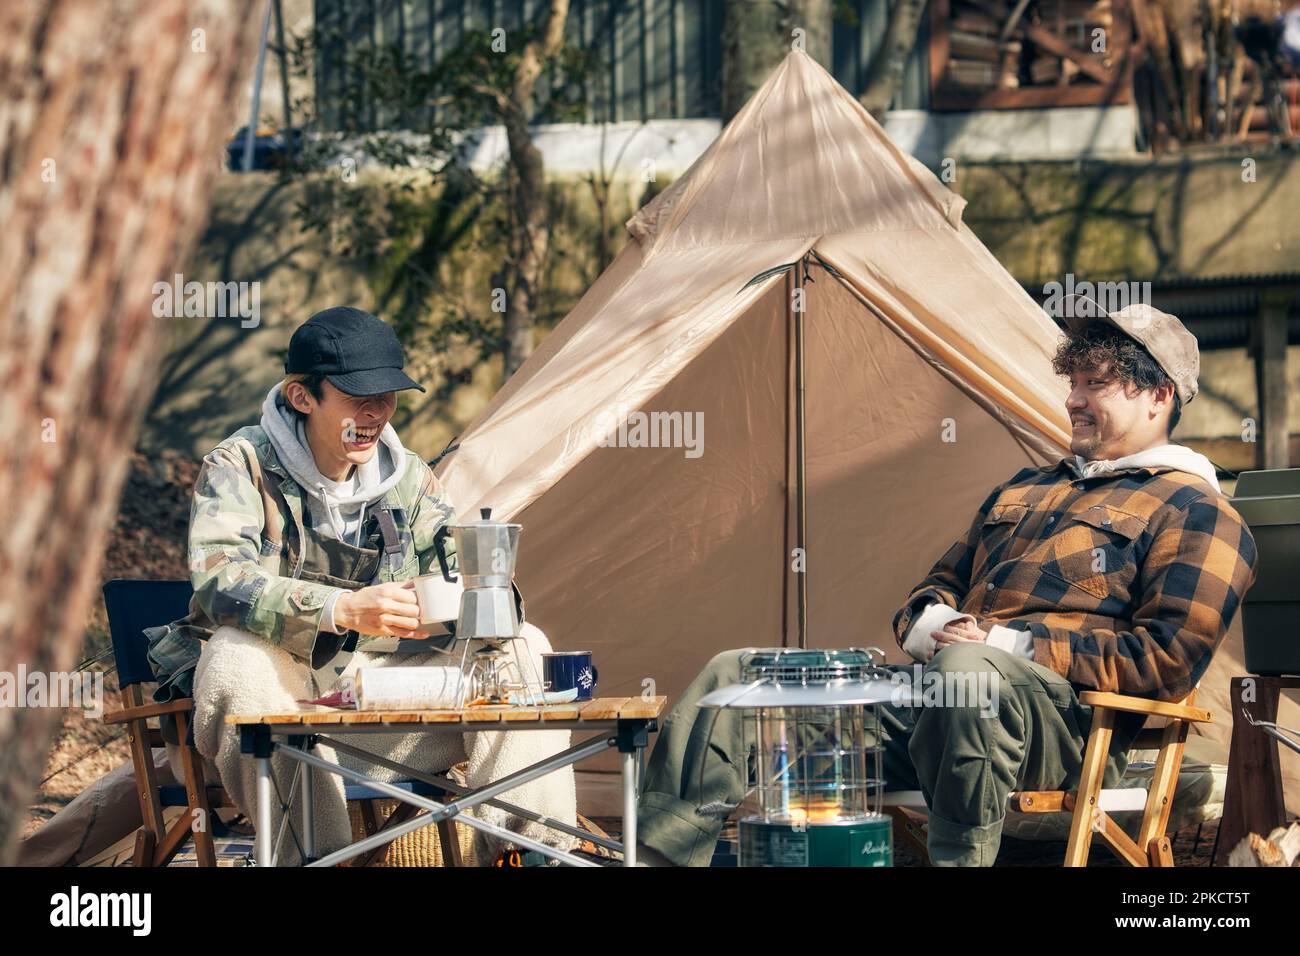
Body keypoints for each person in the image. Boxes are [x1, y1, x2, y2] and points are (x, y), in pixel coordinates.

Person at [633, 298, 1258, 866]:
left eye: (1095, 384)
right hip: (931, 703)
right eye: (1073, 382)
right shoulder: (1025, 488)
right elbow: (929, 593)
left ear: (1159, 396)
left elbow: (1168, 659)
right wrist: (936, 626)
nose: (1072, 399)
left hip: (1062, 732)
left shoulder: (1197, 510)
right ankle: (661, 858)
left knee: (969, 675)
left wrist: (1005, 647)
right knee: (738, 675)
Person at [143, 306, 576, 865]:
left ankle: (534, 851)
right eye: (357, 398)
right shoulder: (240, 465)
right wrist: (342, 608)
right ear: (303, 397)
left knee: (524, 645)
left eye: (388, 396)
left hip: (386, 715)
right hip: (278, 719)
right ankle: (313, 858)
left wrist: (456, 603)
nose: (375, 414)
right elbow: (221, 584)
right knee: (233, 656)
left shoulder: (410, 480)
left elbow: (466, 579)